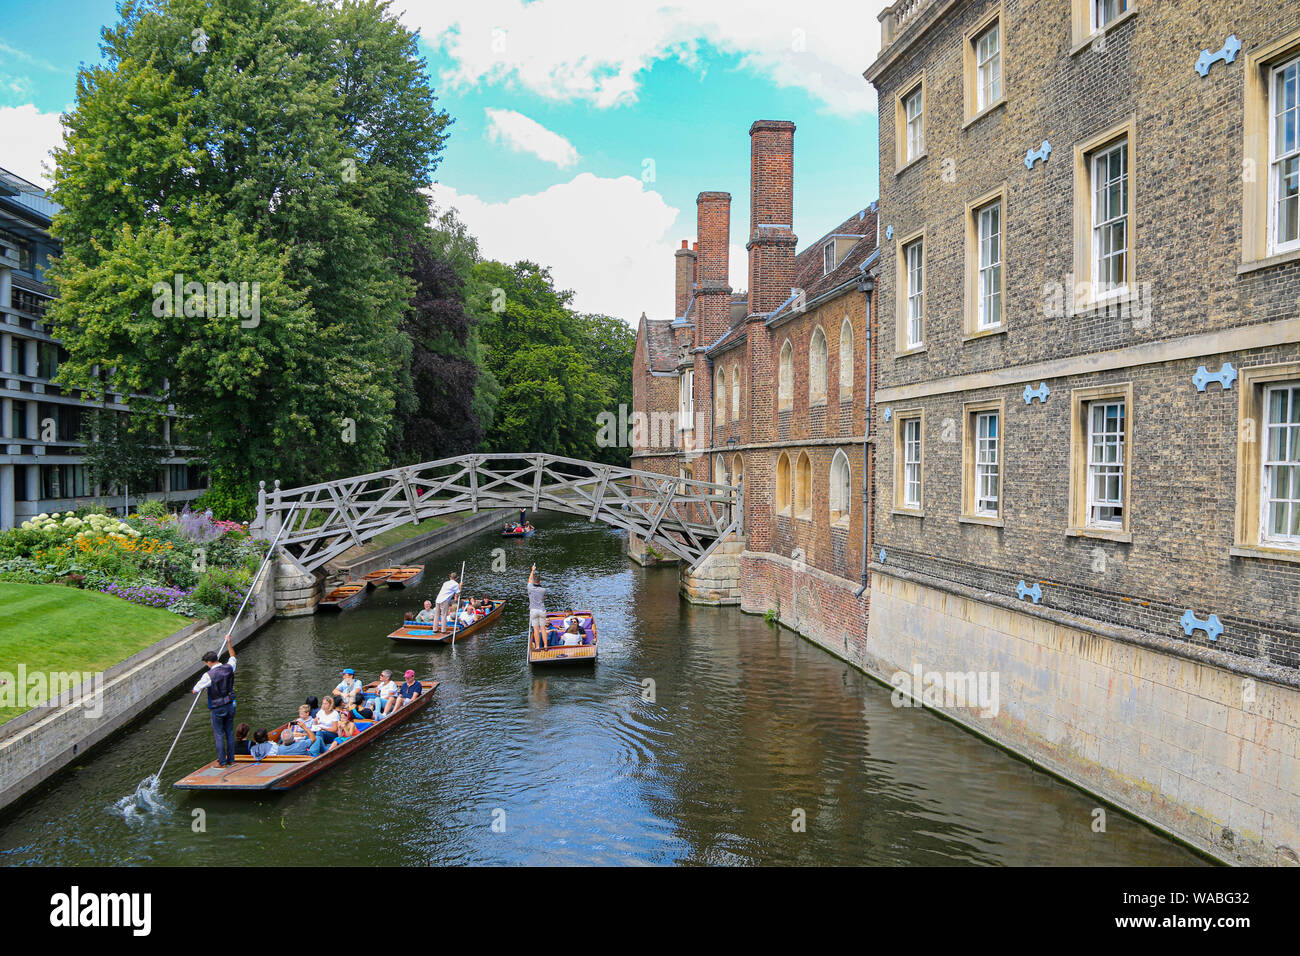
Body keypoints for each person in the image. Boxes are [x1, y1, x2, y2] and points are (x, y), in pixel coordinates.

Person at [192, 634, 238, 766]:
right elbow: (233, 656)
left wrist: (196, 690)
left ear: (208, 662)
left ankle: (222, 762)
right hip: (230, 704)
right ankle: (231, 759)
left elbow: (195, 689)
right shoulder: (229, 667)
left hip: (217, 707)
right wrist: (229, 643)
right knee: (229, 732)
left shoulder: (208, 675)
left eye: (206, 663)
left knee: (219, 734)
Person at [527, 564, 547, 649]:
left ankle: (538, 647)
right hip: (541, 610)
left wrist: (532, 570)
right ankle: (545, 646)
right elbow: (544, 598)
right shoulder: (543, 590)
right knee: (543, 629)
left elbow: (529, 580)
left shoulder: (530, 588)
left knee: (536, 629)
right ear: (540, 582)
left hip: (533, 610)